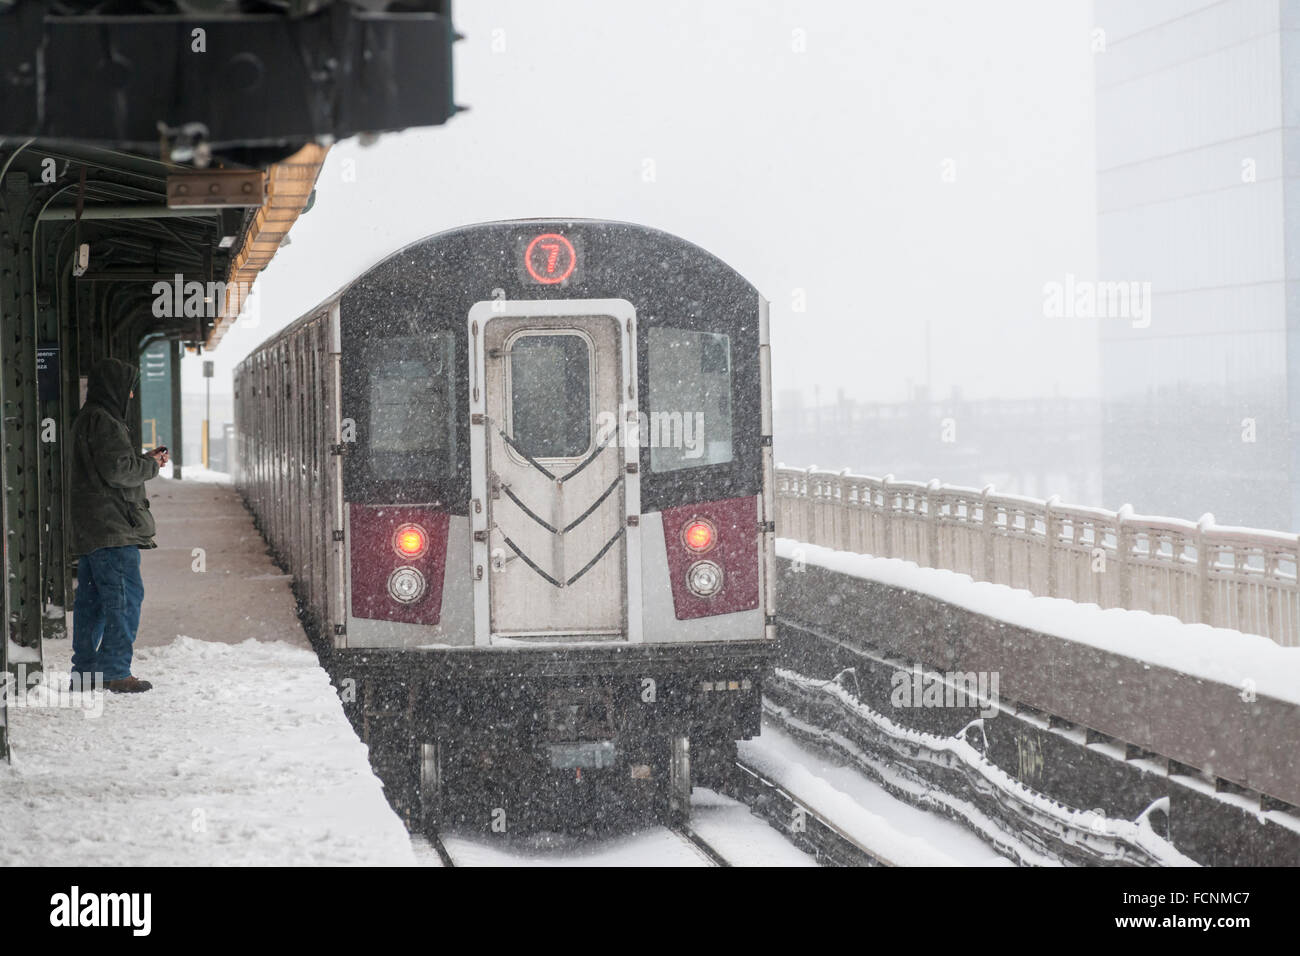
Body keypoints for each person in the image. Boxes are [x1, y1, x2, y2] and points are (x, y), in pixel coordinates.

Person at [68, 357, 169, 693]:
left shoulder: (88, 418)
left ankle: (84, 672)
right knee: (124, 599)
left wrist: (143, 460)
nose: (129, 397)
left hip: (93, 527)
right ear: (115, 388)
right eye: (128, 390)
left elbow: (112, 465)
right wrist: (151, 465)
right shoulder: (105, 421)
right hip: (112, 528)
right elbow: (118, 471)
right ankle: (115, 670)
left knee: (92, 604)